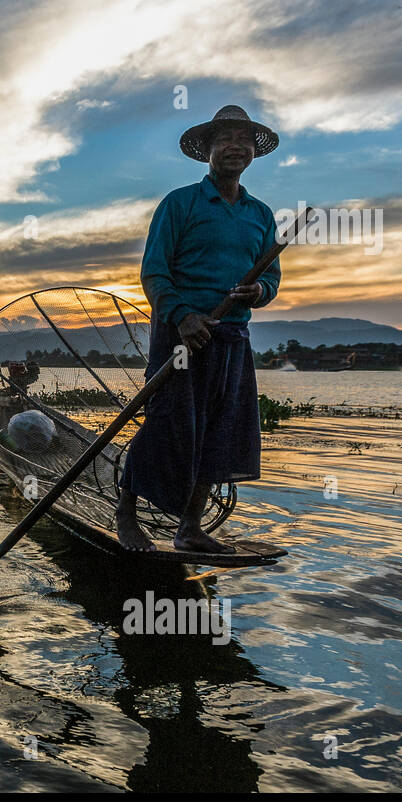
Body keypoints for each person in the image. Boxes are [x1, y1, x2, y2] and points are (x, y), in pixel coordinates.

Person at [116, 105, 282, 554]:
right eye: (224, 139)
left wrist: (258, 293)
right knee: (164, 423)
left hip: (230, 337)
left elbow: (271, 279)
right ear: (208, 151)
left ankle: (189, 528)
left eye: (243, 141)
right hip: (180, 333)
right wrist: (184, 316)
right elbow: (154, 273)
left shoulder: (261, 214)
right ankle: (126, 515)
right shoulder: (179, 203)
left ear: (252, 153)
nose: (235, 147)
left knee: (220, 431)